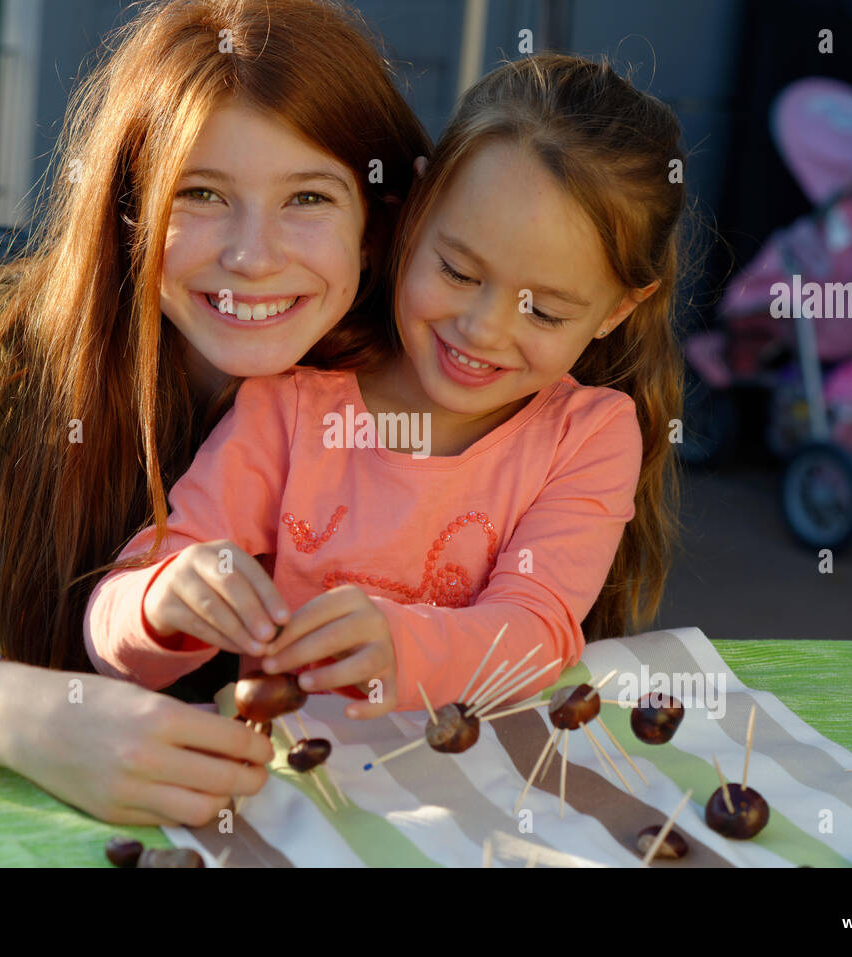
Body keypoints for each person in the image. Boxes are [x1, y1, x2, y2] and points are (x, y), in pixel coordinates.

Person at [0, 0, 430, 827]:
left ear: (375, 222)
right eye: (201, 192)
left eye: (308, 197)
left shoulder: (431, 378)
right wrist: (16, 711)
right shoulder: (38, 347)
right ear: (127, 209)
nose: (253, 256)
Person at [85, 53, 686, 718]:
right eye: (457, 271)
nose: (482, 328)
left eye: (543, 310)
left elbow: (536, 630)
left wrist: (404, 647)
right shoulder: (289, 407)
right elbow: (120, 610)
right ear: (413, 213)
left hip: (482, 794)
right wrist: (162, 602)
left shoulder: (587, 436)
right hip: (301, 792)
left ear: (616, 310)